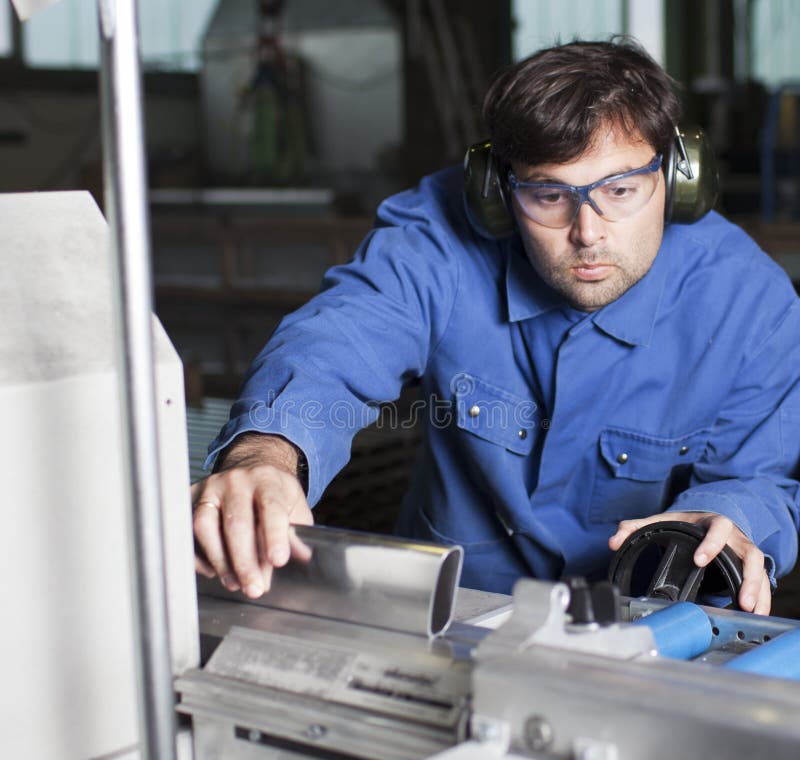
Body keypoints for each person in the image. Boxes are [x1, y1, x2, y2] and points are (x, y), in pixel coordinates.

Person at [192, 38, 800, 616]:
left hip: (648, 630)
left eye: (619, 189)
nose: (588, 233)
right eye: (548, 196)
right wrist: (266, 456)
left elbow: (762, 474)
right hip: (450, 615)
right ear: (497, 193)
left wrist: (729, 515)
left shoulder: (751, 307)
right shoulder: (440, 243)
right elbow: (340, 338)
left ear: (676, 177)